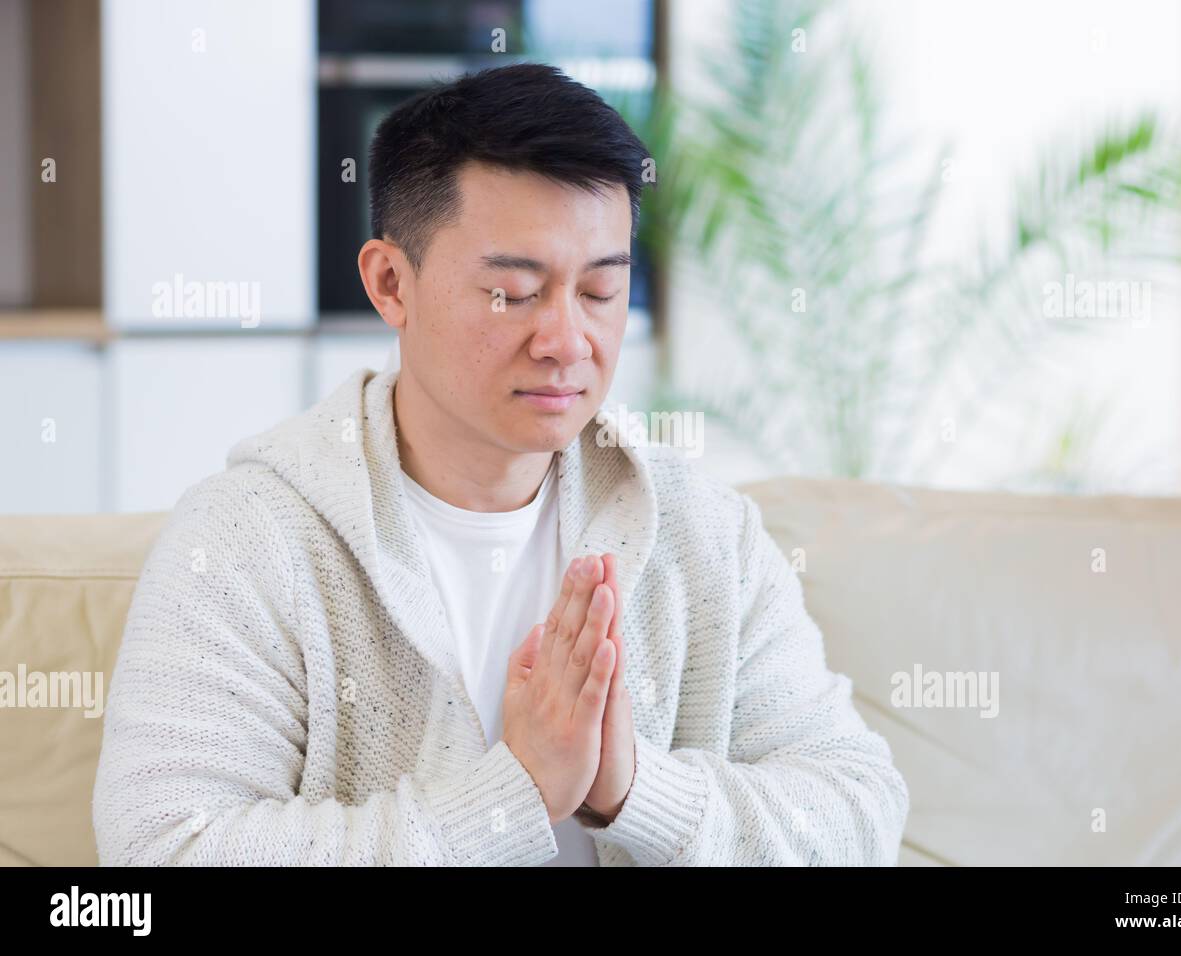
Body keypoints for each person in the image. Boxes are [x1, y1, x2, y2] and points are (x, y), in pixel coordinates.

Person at [92, 62, 909, 866]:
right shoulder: (247, 537)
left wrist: (631, 791)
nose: (565, 342)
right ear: (390, 283)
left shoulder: (704, 533)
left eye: (599, 292)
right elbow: (163, 850)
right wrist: (509, 798)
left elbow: (859, 815)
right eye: (513, 293)